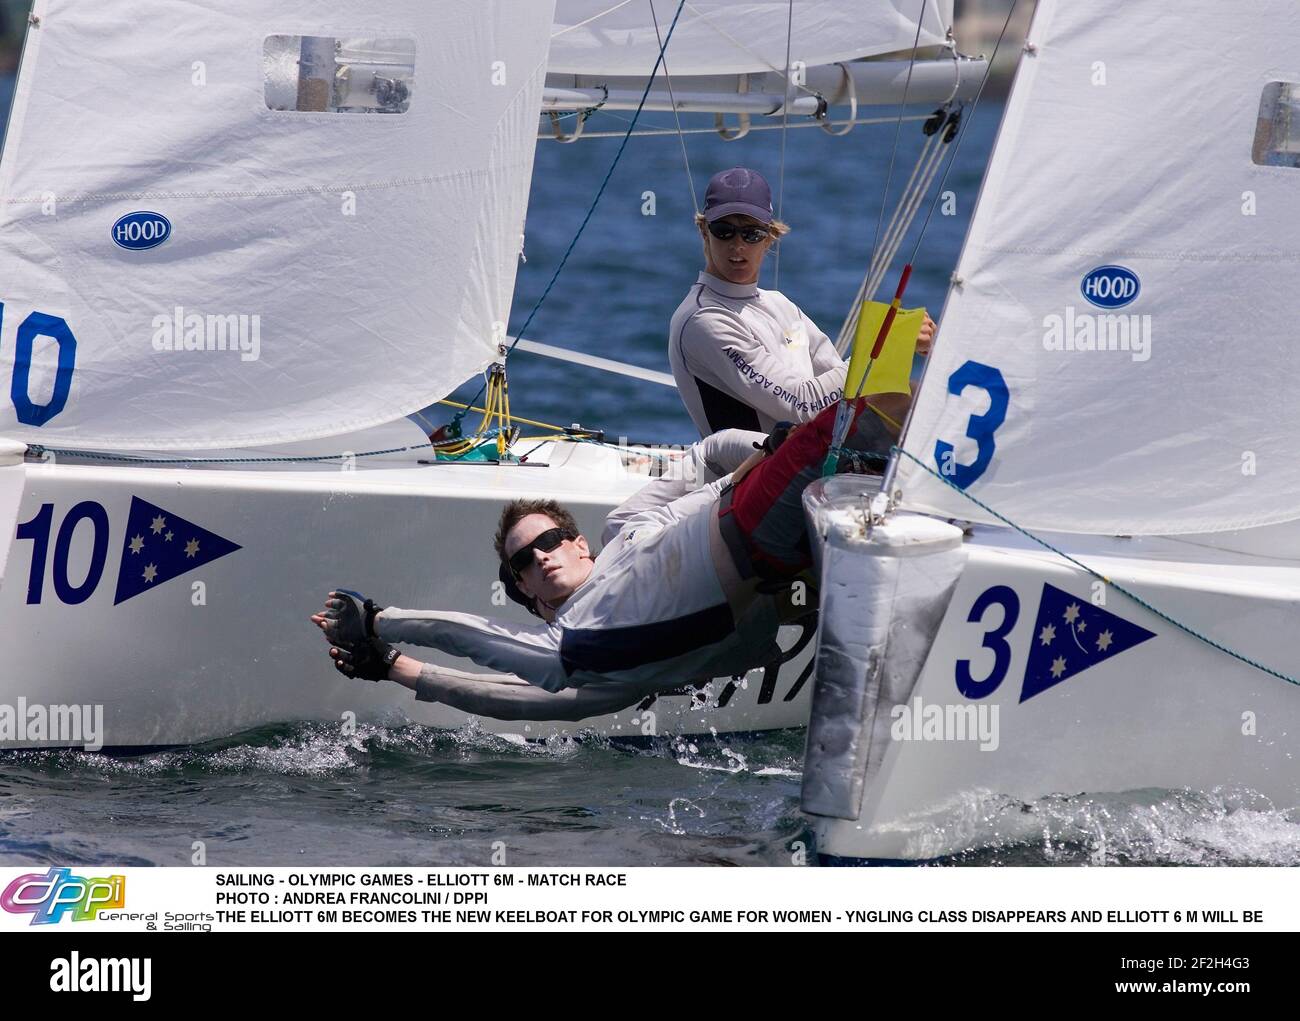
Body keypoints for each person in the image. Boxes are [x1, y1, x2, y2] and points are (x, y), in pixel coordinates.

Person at [311, 401, 894, 722]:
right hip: (777, 559)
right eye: (523, 562)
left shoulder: (629, 525)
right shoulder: (584, 657)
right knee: (863, 428)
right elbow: (495, 691)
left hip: (758, 515)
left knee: (870, 418)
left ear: (580, 542)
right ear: (528, 594)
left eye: (550, 540)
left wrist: (766, 445)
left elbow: (711, 456)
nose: (541, 557)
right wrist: (386, 654)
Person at [668, 166, 934, 438]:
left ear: (770, 238)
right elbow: (802, 405)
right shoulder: (704, 319)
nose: (738, 245)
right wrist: (888, 346)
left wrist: (906, 341)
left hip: (811, 464)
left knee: (911, 397)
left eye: (752, 234)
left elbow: (844, 391)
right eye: (724, 231)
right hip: (754, 474)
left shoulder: (780, 305)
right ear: (704, 232)